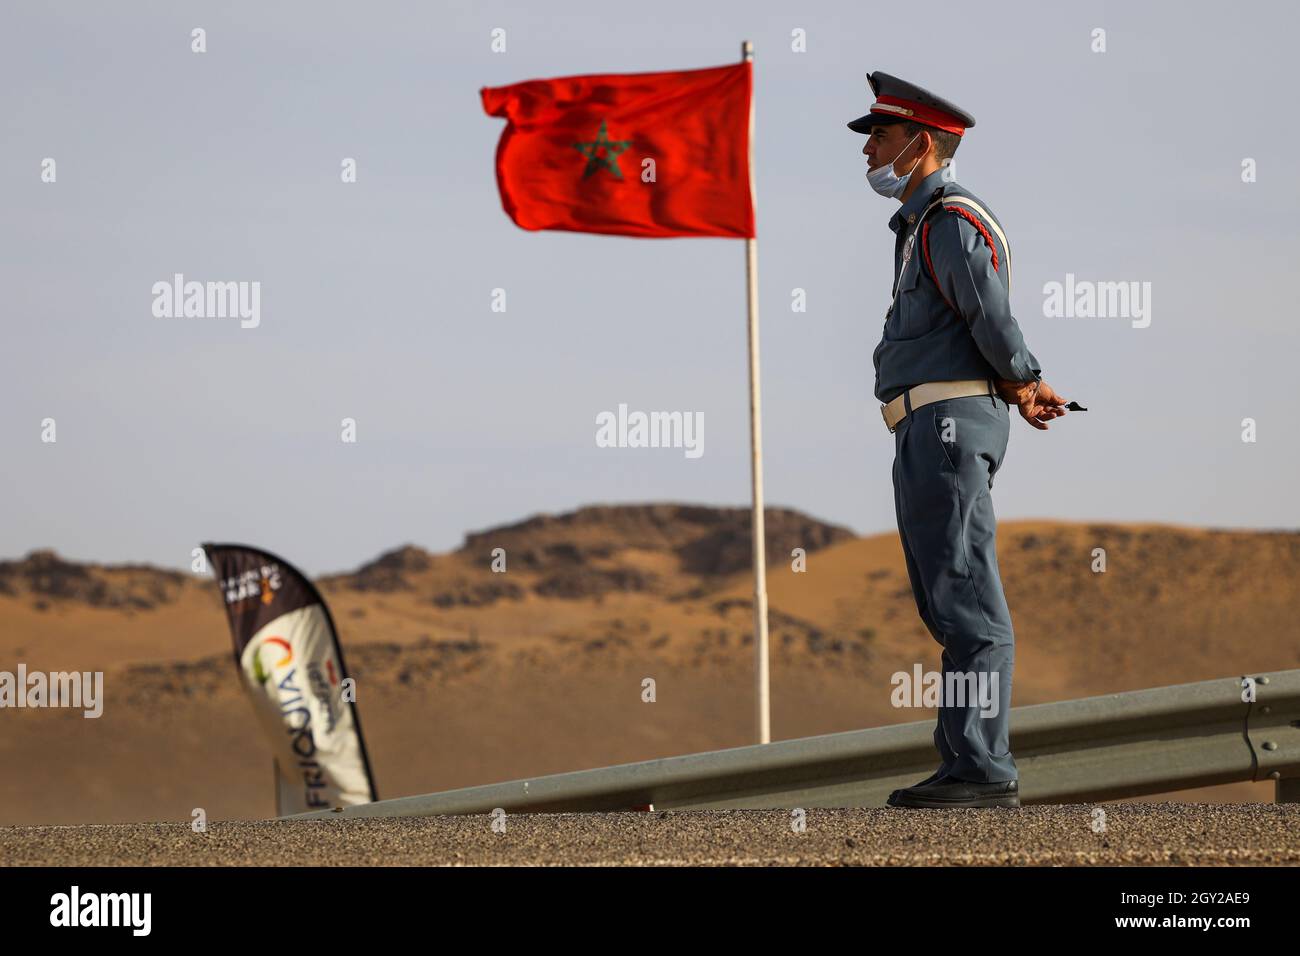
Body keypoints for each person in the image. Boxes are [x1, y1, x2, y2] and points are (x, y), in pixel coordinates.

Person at [847, 72, 1068, 809]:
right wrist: (1020, 384)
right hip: (922, 426)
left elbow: (987, 311)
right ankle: (962, 760)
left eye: (880, 134)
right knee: (947, 599)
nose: (870, 149)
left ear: (923, 143)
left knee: (968, 598)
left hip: (946, 423)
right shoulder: (921, 226)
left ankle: (983, 768)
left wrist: (1025, 378)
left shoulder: (949, 219)